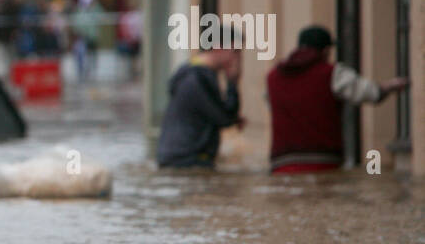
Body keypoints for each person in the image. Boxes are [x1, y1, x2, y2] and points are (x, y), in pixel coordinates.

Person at [266, 25, 410, 173]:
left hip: (281, 165)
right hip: (323, 162)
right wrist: (391, 86)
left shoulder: (272, 78)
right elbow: (370, 93)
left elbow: (271, 105)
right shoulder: (332, 73)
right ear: (325, 51)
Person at [156, 44, 244, 168]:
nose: (239, 59)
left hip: (180, 158)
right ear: (218, 48)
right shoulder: (197, 78)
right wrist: (232, 81)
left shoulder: (193, 72)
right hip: (186, 160)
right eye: (236, 51)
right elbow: (224, 119)